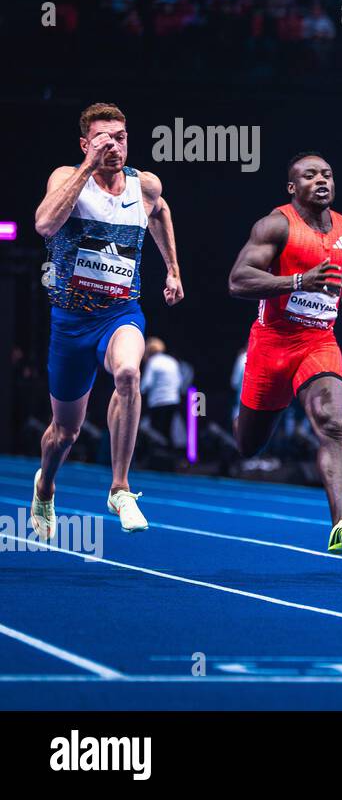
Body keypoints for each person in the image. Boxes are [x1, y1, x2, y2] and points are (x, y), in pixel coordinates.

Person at [31, 102, 184, 539]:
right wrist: (87, 166)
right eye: (102, 138)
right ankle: (46, 486)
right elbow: (44, 224)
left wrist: (173, 269)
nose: (113, 145)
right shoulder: (67, 178)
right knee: (65, 432)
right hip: (71, 320)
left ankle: (120, 487)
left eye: (120, 137)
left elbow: (160, 213)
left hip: (120, 312)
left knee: (129, 373)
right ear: (85, 143)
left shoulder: (145, 184)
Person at [228, 152, 342, 553]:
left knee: (334, 420)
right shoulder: (275, 225)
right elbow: (238, 280)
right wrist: (297, 281)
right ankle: (245, 428)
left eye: (327, 174)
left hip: (319, 342)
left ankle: (340, 523)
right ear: (292, 188)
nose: (321, 180)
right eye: (309, 176)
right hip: (271, 346)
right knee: (248, 444)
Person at [140, 337, 183, 445]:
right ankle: (167, 457)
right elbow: (179, 382)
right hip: (173, 401)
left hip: (157, 402)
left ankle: (153, 457)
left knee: (154, 433)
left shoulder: (152, 362)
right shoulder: (172, 361)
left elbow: (146, 384)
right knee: (166, 432)